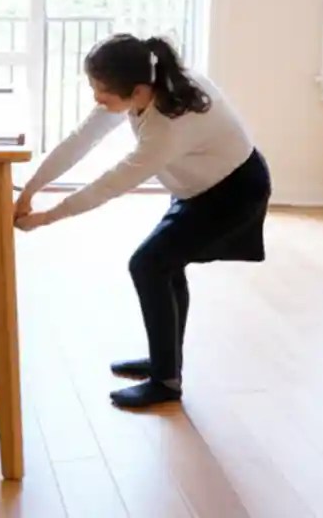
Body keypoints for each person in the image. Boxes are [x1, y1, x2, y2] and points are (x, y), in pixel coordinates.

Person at [14, 34, 271, 408]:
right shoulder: (144, 87)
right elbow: (80, 141)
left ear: (136, 91)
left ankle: (166, 380)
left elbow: (110, 184)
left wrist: (44, 219)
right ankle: (166, 362)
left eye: (102, 93)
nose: (96, 99)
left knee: (149, 264)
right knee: (163, 265)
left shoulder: (170, 124)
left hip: (232, 195)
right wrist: (28, 191)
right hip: (198, 188)